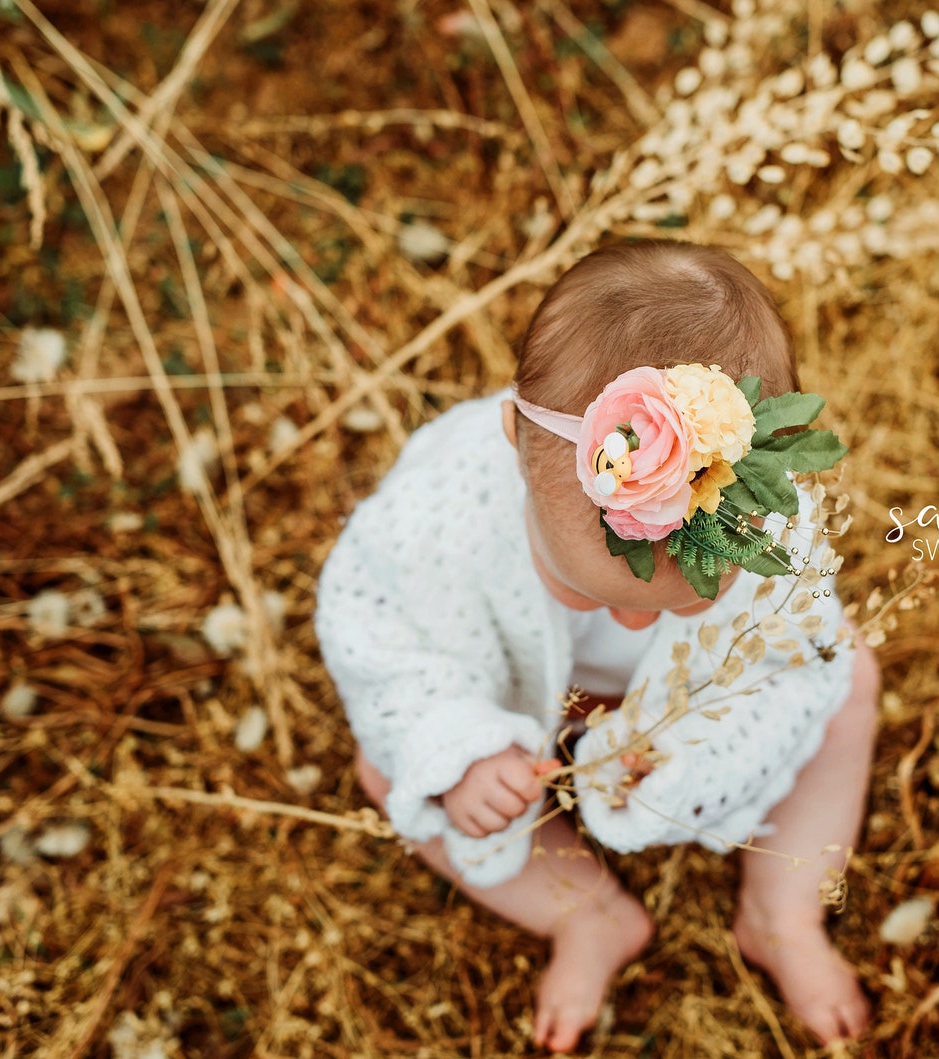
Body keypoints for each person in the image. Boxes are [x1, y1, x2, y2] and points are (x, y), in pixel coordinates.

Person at [315, 240, 880, 1052]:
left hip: (672, 702)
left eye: (687, 599)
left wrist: (688, 747)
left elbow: (787, 657)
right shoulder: (444, 508)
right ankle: (585, 915)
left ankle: (781, 913)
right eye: (586, 592)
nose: (636, 627)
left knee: (848, 678)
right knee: (395, 764)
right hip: (506, 694)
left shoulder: (763, 519)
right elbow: (380, 633)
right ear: (513, 436)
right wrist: (461, 746)